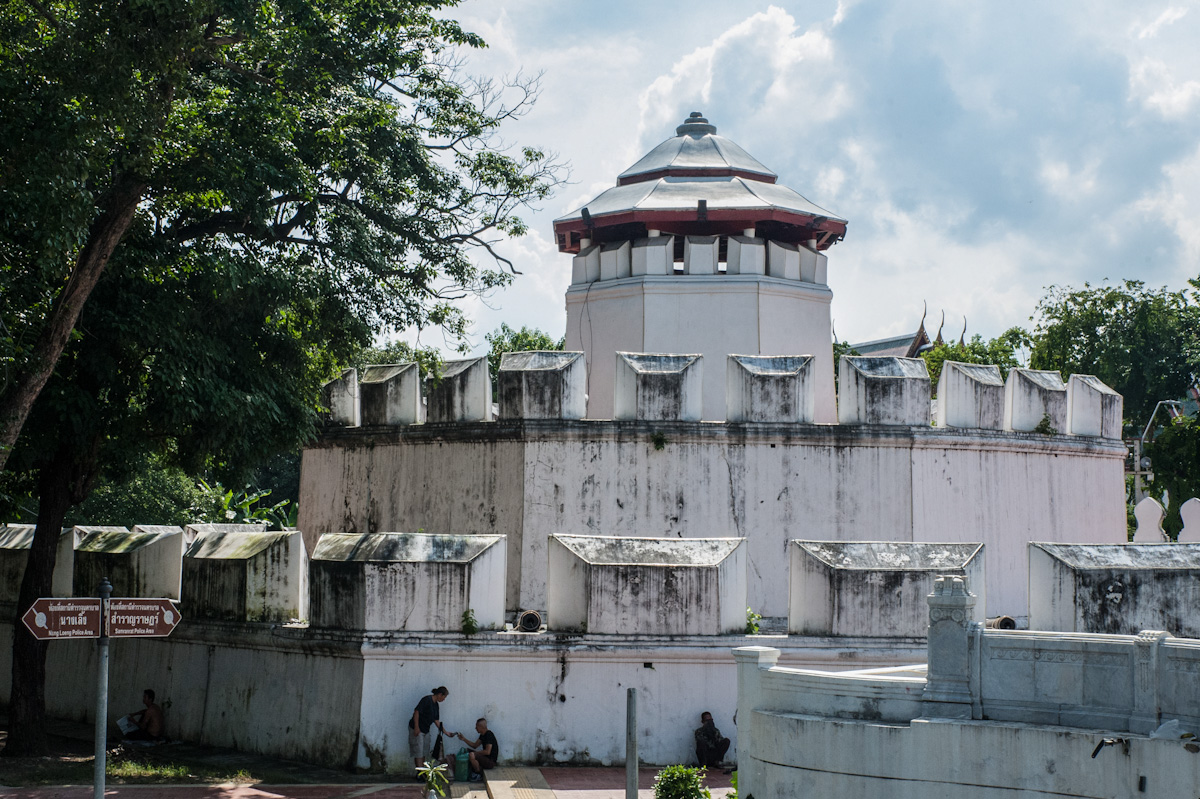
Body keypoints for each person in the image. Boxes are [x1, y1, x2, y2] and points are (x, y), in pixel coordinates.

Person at [409, 686, 455, 771]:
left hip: (426, 730)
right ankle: (420, 773)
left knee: (424, 751)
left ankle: (423, 771)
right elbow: (416, 712)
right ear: (440, 695)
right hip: (418, 728)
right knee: (418, 751)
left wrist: (445, 732)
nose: (443, 700)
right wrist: (416, 727)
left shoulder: (436, 705)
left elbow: (436, 721)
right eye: (444, 698)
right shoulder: (426, 700)